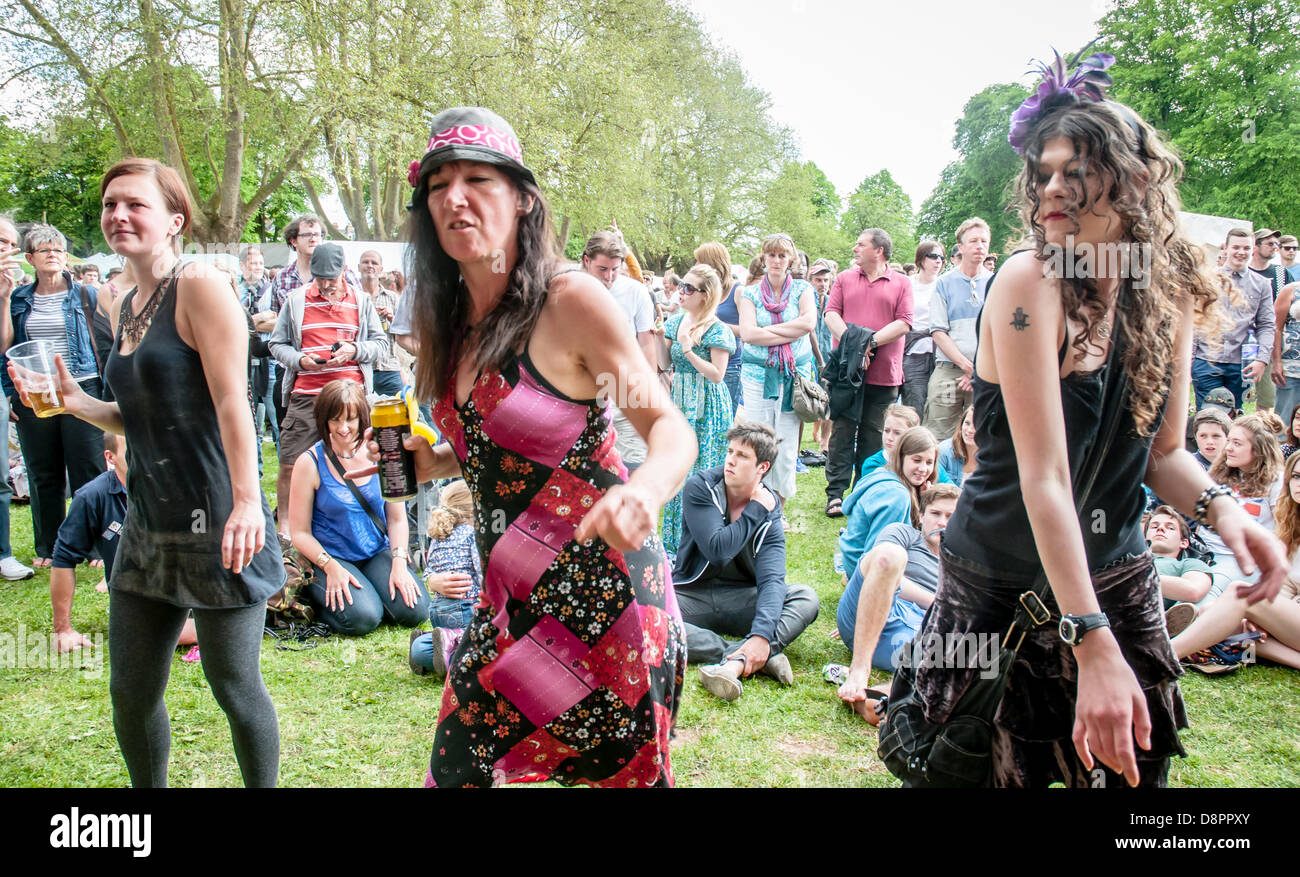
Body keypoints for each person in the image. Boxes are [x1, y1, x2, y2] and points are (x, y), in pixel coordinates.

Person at [919, 57, 1287, 788]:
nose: (1052, 186)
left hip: (1116, 567)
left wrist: (1227, 515)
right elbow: (1045, 477)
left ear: (1135, 181)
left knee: (1135, 774)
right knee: (969, 769)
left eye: (1077, 168)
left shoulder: (1170, 288)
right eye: (1044, 170)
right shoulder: (1030, 281)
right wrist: (1089, 642)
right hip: (995, 582)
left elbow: (1166, 454)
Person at [395, 106, 694, 788]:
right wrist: (436, 459)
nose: (455, 197)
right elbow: (491, 444)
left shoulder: (570, 302)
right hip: (506, 602)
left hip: (605, 599)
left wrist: (642, 492)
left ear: (524, 199)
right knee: (457, 771)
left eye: (478, 179)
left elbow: (669, 429)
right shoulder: (447, 318)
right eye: (438, 184)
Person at [10, 158, 284, 787]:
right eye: (110, 205)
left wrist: (247, 503)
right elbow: (142, 415)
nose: (118, 215)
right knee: (130, 692)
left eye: (136, 204)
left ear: (174, 221)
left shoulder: (201, 286)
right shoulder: (118, 300)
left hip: (220, 519)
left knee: (235, 688)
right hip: (149, 522)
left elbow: (231, 404)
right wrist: (78, 403)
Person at [673, 422, 819, 701]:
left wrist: (763, 634)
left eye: (742, 456)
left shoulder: (770, 510)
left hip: (742, 599)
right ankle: (743, 653)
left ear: (762, 467)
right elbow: (717, 549)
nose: (731, 460)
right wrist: (755, 510)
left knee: (805, 597)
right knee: (644, 613)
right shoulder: (702, 487)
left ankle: (754, 650)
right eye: (730, 451)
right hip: (692, 595)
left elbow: (772, 580)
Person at [2, 223, 106, 569]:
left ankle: (91, 545)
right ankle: (48, 546)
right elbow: (6, 348)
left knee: (87, 469)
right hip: (36, 392)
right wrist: (10, 393)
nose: (53, 255)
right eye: (45, 250)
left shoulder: (86, 294)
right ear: (30, 257)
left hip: (82, 385)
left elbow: (104, 346)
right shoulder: (18, 297)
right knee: (43, 471)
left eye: (59, 250)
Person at [288, 379, 427, 635]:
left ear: (362, 418)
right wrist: (330, 567)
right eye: (335, 420)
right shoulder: (309, 463)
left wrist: (398, 563)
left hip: (375, 551)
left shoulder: (379, 452)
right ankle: (326, 598)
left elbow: (396, 518)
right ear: (323, 420)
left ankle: (373, 592)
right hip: (331, 555)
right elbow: (299, 532)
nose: (343, 429)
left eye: (350, 419)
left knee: (415, 611)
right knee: (364, 619)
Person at [269, 242, 388, 535]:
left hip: (351, 397)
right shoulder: (296, 300)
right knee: (289, 463)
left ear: (344, 271)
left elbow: (381, 344)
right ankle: (286, 533)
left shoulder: (360, 301)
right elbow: (275, 343)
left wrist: (354, 349)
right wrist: (300, 360)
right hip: (307, 396)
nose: (324, 284)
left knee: (359, 461)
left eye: (330, 279)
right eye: (319, 277)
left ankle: (361, 526)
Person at [835, 483, 960, 725]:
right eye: (935, 514)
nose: (942, 522)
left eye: (950, 517)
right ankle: (859, 670)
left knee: (979, 653)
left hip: (912, 630)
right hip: (876, 606)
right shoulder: (904, 534)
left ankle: (880, 698)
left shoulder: (959, 562)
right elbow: (879, 568)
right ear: (921, 516)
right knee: (891, 557)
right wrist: (937, 602)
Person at [823, 229, 913, 514]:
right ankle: (835, 494)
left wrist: (869, 342)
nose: (854, 249)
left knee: (875, 435)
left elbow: (904, 322)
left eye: (860, 244)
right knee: (842, 430)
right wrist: (853, 343)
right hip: (846, 373)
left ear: (879, 250)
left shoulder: (901, 283)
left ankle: (863, 491)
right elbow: (831, 313)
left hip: (884, 373)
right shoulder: (844, 279)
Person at [660, 264, 735, 554]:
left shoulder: (717, 329)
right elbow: (663, 363)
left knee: (701, 470)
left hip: (708, 407)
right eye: (681, 285)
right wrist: (656, 335)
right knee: (678, 469)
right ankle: (673, 543)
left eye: (688, 288)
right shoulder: (675, 321)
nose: (682, 292)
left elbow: (717, 374)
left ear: (705, 295)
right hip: (680, 401)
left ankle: (701, 544)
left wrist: (689, 350)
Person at [736, 233, 816, 503]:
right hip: (757, 376)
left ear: (790, 259)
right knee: (758, 439)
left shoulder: (803, 290)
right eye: (771, 255)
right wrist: (787, 334)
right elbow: (747, 334)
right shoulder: (749, 293)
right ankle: (756, 498)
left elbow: (808, 324)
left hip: (793, 376)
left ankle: (777, 504)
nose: (777, 261)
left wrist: (765, 332)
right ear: (763, 257)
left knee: (786, 440)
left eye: (782, 255)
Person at [581, 231, 658, 472]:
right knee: (589, 466)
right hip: (582, 393)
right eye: (602, 269)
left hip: (627, 390)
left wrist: (649, 387)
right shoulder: (568, 288)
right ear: (586, 261)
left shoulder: (636, 291)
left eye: (615, 268)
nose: (610, 276)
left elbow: (646, 341)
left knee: (633, 464)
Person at [1198, 413, 1285, 595]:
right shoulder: (1218, 473)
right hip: (1202, 550)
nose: (1228, 448)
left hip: (1239, 557)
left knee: (1210, 588)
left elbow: (1283, 529)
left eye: (1237, 443)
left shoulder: (1276, 481)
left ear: (1259, 449)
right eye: (1229, 441)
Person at [838, 425, 939, 580]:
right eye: (917, 460)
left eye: (929, 462)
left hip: (856, 565)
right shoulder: (896, 495)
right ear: (901, 457)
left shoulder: (885, 473)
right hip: (866, 575)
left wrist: (923, 502)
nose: (923, 468)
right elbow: (879, 556)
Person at [922, 217, 992, 439]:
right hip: (949, 370)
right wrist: (966, 366)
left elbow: (999, 333)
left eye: (984, 241)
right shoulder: (944, 283)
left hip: (986, 373)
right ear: (960, 247)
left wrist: (978, 370)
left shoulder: (995, 283)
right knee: (938, 436)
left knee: (981, 435)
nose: (980, 246)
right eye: (973, 241)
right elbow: (938, 331)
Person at [1192, 228, 1273, 409]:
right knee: (1208, 416)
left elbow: (1267, 325)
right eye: (1236, 247)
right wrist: (1189, 359)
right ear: (1226, 248)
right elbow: (1194, 320)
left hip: (1240, 363)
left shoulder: (1261, 285)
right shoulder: (1207, 279)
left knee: (1234, 418)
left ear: (1253, 250)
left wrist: (1262, 359)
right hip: (1207, 360)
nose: (1240, 252)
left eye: (1246, 248)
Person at [408, 480, 481, 675]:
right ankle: (454, 643)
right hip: (465, 608)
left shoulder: (439, 537)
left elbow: (429, 568)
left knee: (422, 650)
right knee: (485, 645)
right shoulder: (472, 535)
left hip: (438, 610)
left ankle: (426, 643)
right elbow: (482, 570)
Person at [0, 215, 34, 581]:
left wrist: (5, 297)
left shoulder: (7, 287)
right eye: (0, 241)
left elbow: (3, 344)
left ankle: (3, 554)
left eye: (10, 244)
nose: (6, 249)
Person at [695, 242, 744, 415]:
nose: (695, 266)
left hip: (730, 366)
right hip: (705, 364)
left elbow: (748, 331)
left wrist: (717, 326)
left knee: (725, 422)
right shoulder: (705, 291)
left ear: (712, 263)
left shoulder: (737, 291)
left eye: (699, 261)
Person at [902, 241, 945, 416]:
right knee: (914, 407)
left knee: (938, 409)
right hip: (913, 354)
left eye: (941, 257)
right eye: (933, 256)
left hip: (941, 354)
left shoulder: (944, 283)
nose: (938, 261)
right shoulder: (907, 284)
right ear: (921, 258)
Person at [359, 249, 408, 397]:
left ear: (380, 269)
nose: (370, 265)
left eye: (374, 263)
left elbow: (405, 332)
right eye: (366, 262)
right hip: (360, 367)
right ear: (359, 266)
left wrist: (392, 318)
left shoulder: (392, 298)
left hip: (388, 367)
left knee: (401, 412)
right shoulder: (354, 296)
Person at [1268, 269, 1300, 421]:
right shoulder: (1291, 291)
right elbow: (1276, 327)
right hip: (1291, 371)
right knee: (1284, 421)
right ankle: (1281, 445)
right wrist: (1276, 362)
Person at [936, 405, 978, 486]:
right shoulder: (944, 451)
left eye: (976, 425)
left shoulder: (991, 455)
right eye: (967, 423)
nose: (970, 430)